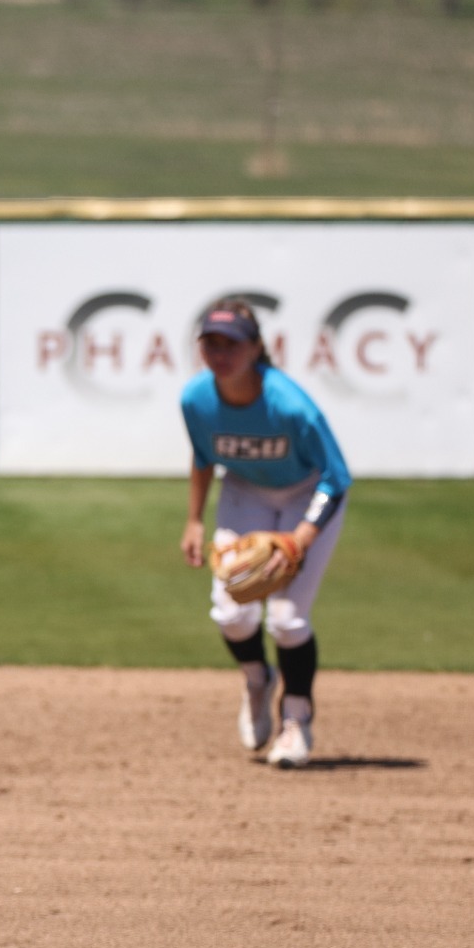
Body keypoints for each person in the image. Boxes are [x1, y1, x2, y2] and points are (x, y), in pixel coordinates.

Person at [180, 298, 353, 770]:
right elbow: (203, 457)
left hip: (306, 494)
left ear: (256, 347)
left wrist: (300, 538)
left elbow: (337, 477)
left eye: (232, 343)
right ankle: (258, 678)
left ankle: (296, 719)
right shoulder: (195, 399)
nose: (221, 353)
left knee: (286, 619)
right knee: (231, 610)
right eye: (211, 343)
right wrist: (194, 520)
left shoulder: (290, 405)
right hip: (245, 492)